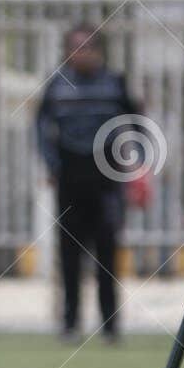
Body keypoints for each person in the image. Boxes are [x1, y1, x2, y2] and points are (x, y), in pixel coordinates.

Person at [35, 24, 143, 343]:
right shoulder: (56, 85)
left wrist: (137, 164)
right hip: (70, 176)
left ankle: (110, 325)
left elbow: (136, 124)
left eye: (88, 47)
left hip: (107, 177)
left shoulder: (115, 83)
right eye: (75, 48)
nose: (81, 53)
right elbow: (41, 128)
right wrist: (51, 164)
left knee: (107, 251)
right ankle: (69, 323)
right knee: (69, 253)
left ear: (98, 51)